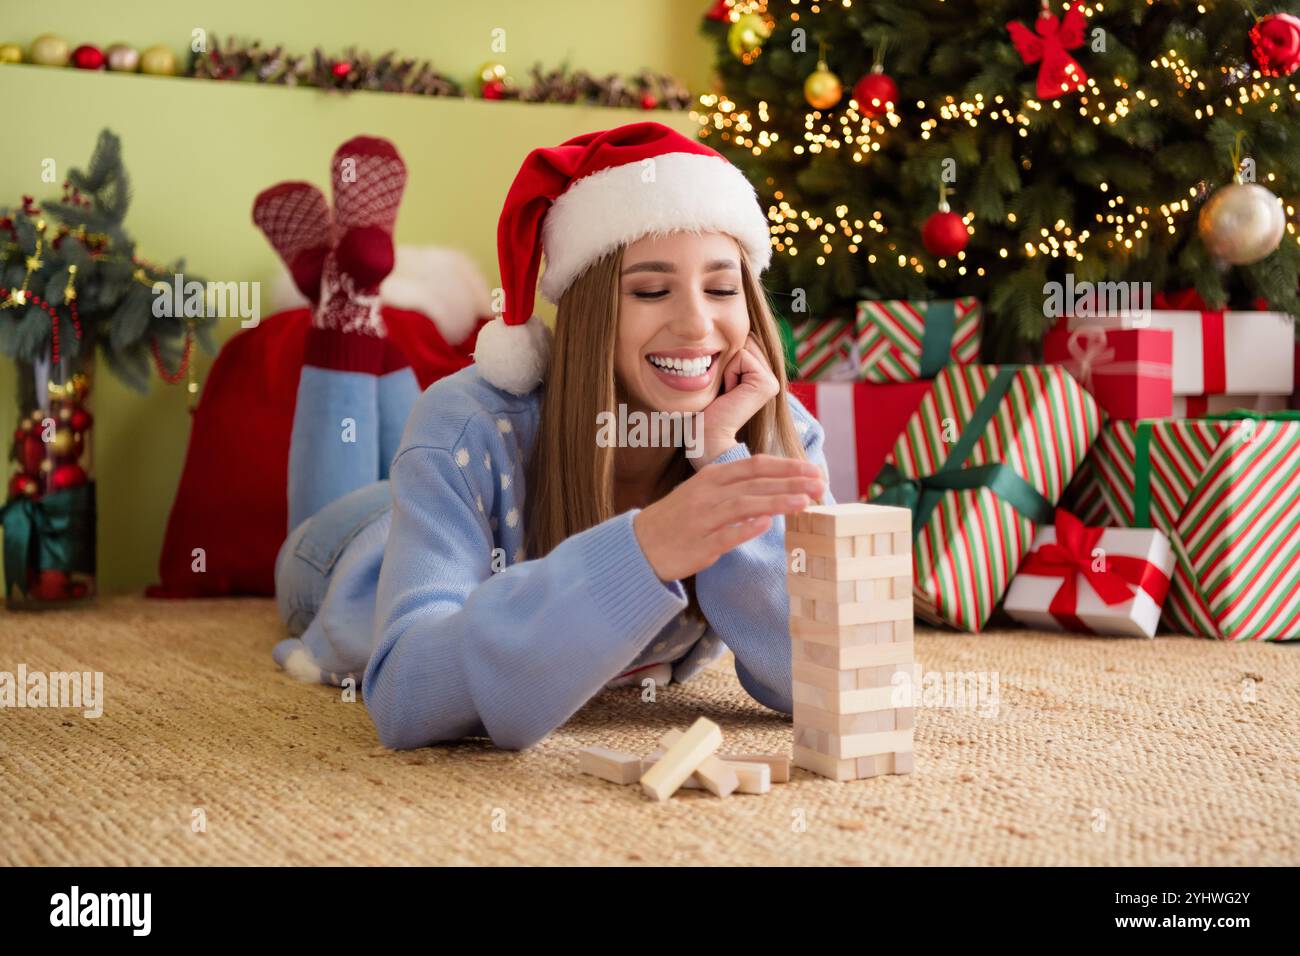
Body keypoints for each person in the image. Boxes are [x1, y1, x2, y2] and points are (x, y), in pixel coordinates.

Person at [260, 123, 832, 751]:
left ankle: (344, 291)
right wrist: (642, 553)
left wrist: (723, 464)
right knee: (331, 511)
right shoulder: (469, 424)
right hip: (347, 550)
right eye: (650, 289)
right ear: (587, 310)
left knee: (417, 448)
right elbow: (407, 696)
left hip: (433, 489)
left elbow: (820, 683)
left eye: (722, 288)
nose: (697, 324)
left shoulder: (768, 429)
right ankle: (345, 307)